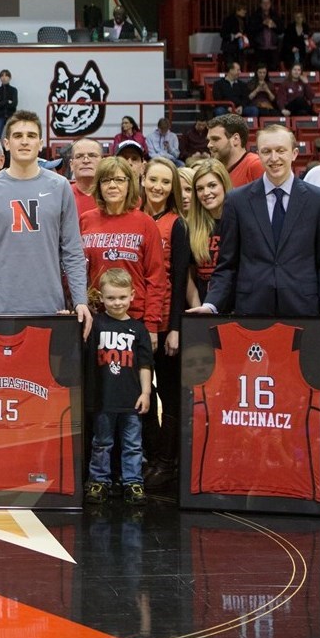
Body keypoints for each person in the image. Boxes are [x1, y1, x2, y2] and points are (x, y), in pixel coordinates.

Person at [191, 124, 320, 322]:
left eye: (280, 151)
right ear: (258, 155)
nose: (274, 158)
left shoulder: (319, 201)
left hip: (304, 310)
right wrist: (211, 305)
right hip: (252, 310)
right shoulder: (237, 201)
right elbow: (227, 265)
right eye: (266, 152)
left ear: (294, 153)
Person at [0, 110, 90, 333]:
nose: (25, 141)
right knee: (4, 370)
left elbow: (73, 250)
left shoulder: (60, 187)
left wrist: (80, 300)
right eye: (18, 136)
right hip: (1, 307)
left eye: (31, 135)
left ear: (40, 143)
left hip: (50, 307)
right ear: (7, 144)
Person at [79, 157, 168, 350]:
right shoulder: (85, 220)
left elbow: (156, 278)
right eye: (106, 180)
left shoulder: (145, 223)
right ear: (99, 185)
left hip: (134, 318)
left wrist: (151, 324)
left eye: (119, 180)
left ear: (130, 184)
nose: (112, 185)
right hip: (95, 318)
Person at [138, 157, 189, 488]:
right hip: (137, 321)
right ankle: (150, 451)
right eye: (153, 180)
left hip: (166, 321)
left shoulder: (177, 224)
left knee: (170, 394)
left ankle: (167, 461)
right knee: (140, 392)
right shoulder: (134, 218)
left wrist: (174, 328)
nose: (158, 187)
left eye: (165, 182)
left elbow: (180, 277)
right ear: (142, 180)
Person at [85, 268, 153, 505]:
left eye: (122, 297)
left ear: (132, 295)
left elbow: (145, 365)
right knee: (102, 442)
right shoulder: (94, 325)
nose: (117, 303)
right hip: (103, 398)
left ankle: (133, 481)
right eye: (111, 298)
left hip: (131, 399)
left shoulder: (139, 329)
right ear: (101, 298)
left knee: (133, 444)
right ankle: (99, 480)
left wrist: (146, 393)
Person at [186, 159, 230, 304]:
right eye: (200, 188)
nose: (206, 193)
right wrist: (197, 307)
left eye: (212, 185)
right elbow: (189, 275)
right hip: (203, 306)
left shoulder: (238, 222)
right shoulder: (191, 226)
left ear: (224, 185)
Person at [206, 113, 263, 187]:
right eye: (209, 140)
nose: (209, 145)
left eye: (215, 139)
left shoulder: (255, 165)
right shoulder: (214, 169)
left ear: (235, 139)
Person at [68, 138, 103, 218]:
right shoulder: (62, 196)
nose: (86, 161)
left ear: (103, 162)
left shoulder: (115, 195)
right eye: (79, 156)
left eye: (92, 155)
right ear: (71, 165)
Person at [247, 0, 281, 70]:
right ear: (260, 4)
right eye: (264, 3)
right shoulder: (255, 15)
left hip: (273, 47)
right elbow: (251, 30)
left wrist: (274, 26)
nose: (266, 5)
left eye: (268, 3)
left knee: (273, 68)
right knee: (261, 68)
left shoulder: (275, 15)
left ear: (270, 4)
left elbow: (281, 30)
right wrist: (263, 24)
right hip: (260, 47)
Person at [0, 69, 17, 145]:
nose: (4, 77)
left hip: (11, 116)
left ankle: (11, 154)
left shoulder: (13, 90)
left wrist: (0, 102)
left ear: (10, 78)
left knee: (12, 136)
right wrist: (7, 101)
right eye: (2, 76)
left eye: (6, 75)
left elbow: (14, 104)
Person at [219, 3, 249, 68]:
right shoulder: (228, 20)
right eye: (243, 10)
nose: (245, 12)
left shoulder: (244, 21)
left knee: (240, 67)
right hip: (230, 48)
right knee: (231, 67)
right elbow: (223, 34)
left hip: (240, 48)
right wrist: (234, 36)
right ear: (237, 10)